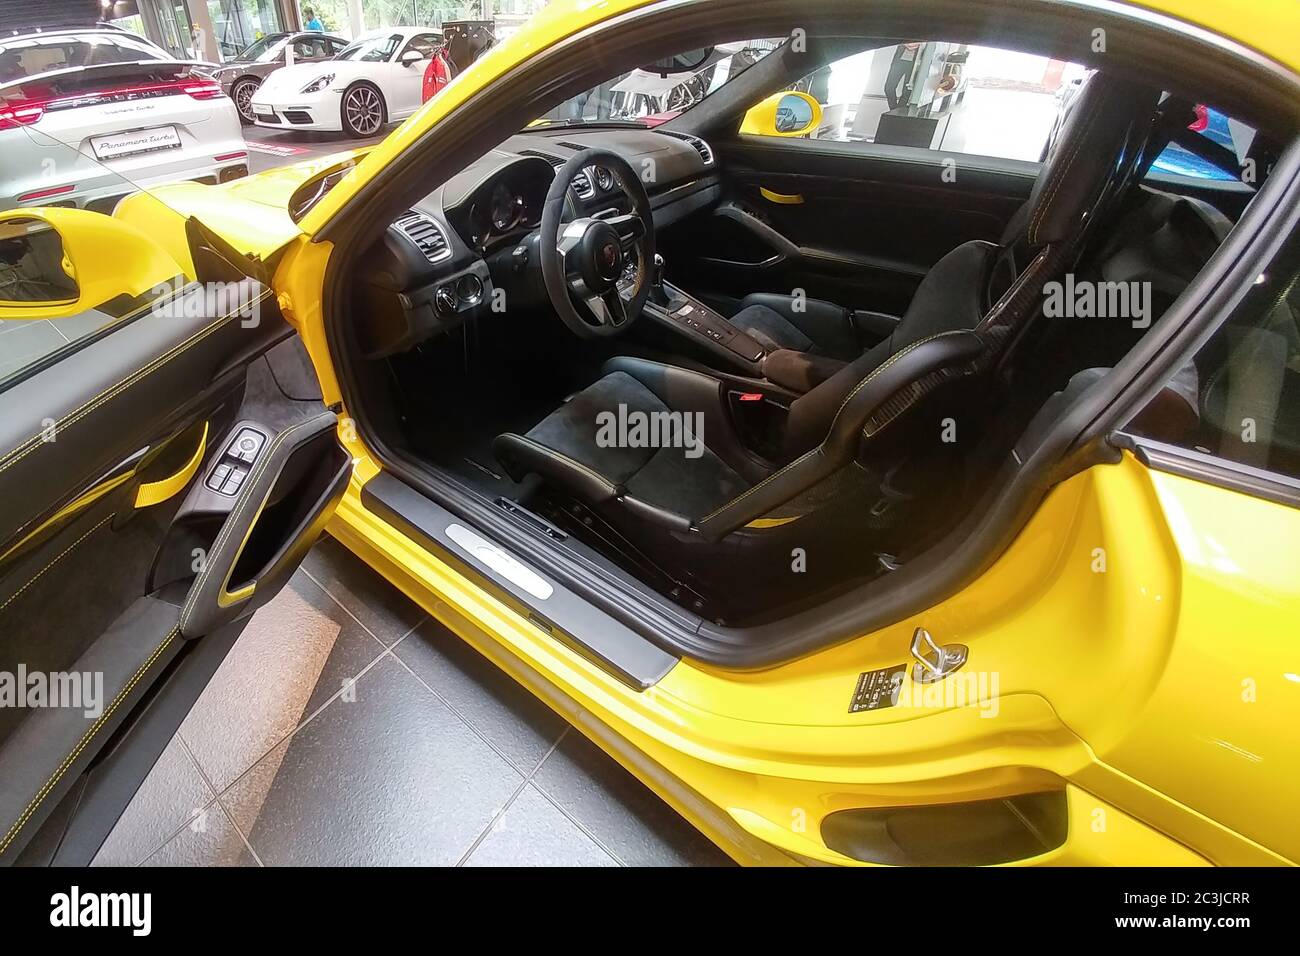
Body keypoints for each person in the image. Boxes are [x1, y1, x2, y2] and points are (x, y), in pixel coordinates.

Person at [884, 41, 921, 110]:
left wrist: (920, 44)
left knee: (907, 91)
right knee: (888, 88)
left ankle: (897, 113)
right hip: (899, 59)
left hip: (915, 63)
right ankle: (894, 112)